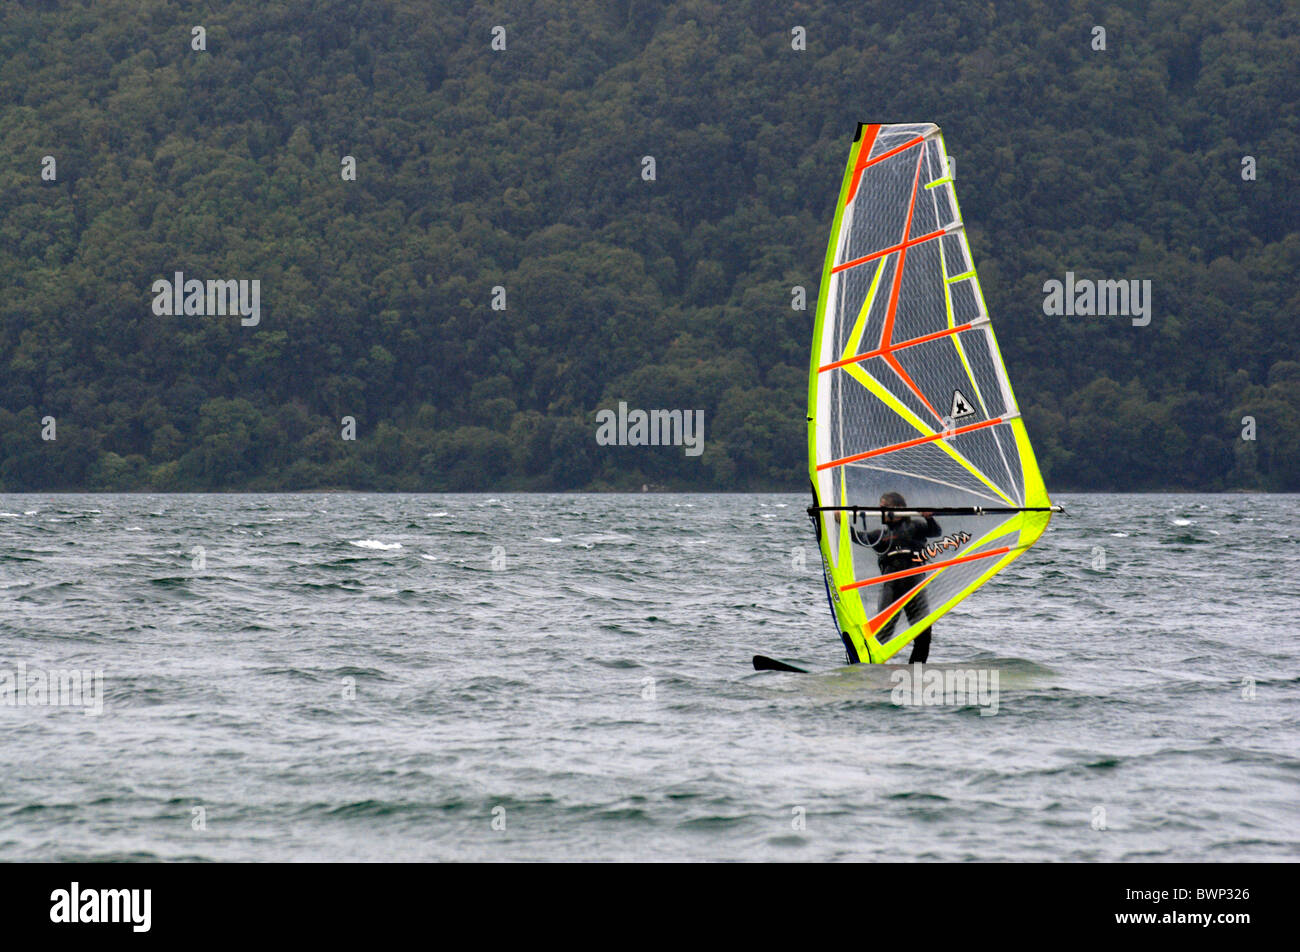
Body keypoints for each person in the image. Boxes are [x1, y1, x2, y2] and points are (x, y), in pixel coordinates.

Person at [836, 491, 940, 663]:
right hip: (891, 585)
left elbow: (935, 531)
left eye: (884, 508)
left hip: (914, 582)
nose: (881, 511)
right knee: (882, 634)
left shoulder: (916, 527)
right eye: (879, 508)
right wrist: (841, 522)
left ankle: (915, 672)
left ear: (899, 509)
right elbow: (858, 537)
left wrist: (929, 517)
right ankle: (870, 668)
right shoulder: (880, 535)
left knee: (923, 635)